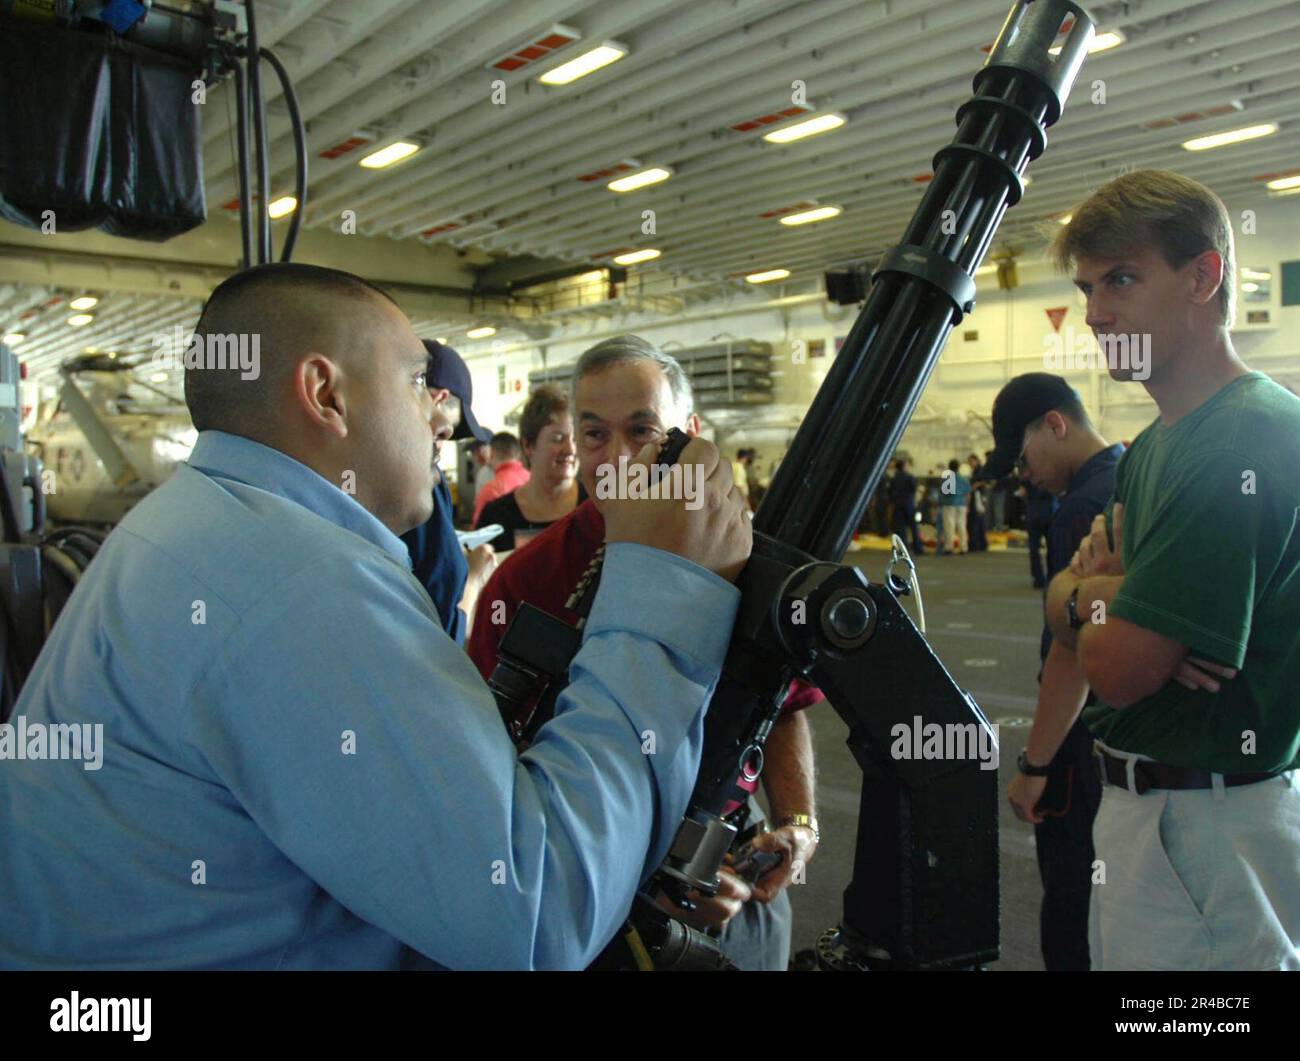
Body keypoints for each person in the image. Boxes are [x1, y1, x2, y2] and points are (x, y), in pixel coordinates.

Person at [0, 263, 752, 970]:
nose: (440, 413)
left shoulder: (198, 524)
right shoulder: (295, 579)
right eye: (419, 380)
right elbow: (537, 908)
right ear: (326, 394)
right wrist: (662, 593)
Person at [468, 335, 821, 971]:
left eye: (643, 431)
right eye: (595, 434)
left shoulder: (743, 564)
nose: (620, 458)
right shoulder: (524, 582)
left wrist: (797, 822)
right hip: (589, 893)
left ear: (691, 437)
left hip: (732, 874)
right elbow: (482, 753)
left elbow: (785, 705)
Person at [1043, 170, 1300, 970]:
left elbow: (1118, 669)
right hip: (1160, 816)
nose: (1095, 312)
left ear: (1203, 275)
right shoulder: (1157, 444)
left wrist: (1092, 604)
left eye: (1121, 278)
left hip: (1209, 826)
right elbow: (1094, 620)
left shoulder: (1239, 439)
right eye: (1087, 287)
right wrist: (1100, 597)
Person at [984, 373, 1123, 970]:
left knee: (1070, 904)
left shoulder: (1085, 508)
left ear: (1055, 425)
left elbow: (1070, 656)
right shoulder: (1132, 475)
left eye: (1022, 455)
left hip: (1081, 740)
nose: (1024, 473)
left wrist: (1035, 765)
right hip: (1126, 738)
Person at [400, 340, 496, 643]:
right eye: (450, 431)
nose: (443, 441)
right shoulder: (424, 478)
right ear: (439, 401)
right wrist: (473, 577)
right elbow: (443, 630)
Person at [476, 385, 579, 552]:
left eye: (575, 439)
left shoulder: (598, 508)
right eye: (558, 439)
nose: (570, 449)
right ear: (528, 445)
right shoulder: (496, 517)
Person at [472, 432, 529, 524]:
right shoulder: (532, 480)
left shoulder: (491, 489)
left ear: (492, 453)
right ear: (518, 454)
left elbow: (480, 532)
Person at [1024, 482, 1056, 587]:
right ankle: (1051, 575)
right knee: (1051, 549)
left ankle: (1038, 578)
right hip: (1048, 515)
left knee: (1034, 550)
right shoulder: (1050, 481)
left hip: (1033, 515)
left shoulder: (1029, 482)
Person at [887, 457, 922, 551]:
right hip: (909, 505)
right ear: (903, 467)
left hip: (898, 506)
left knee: (901, 530)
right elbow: (915, 490)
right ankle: (918, 548)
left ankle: (904, 549)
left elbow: (890, 493)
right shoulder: (910, 477)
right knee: (914, 528)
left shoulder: (894, 479)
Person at [939, 458, 970, 554]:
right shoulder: (963, 479)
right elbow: (968, 493)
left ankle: (949, 547)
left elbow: (944, 492)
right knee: (961, 526)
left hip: (949, 504)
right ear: (958, 467)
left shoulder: (947, 478)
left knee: (949, 526)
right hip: (962, 504)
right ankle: (964, 547)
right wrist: (967, 505)